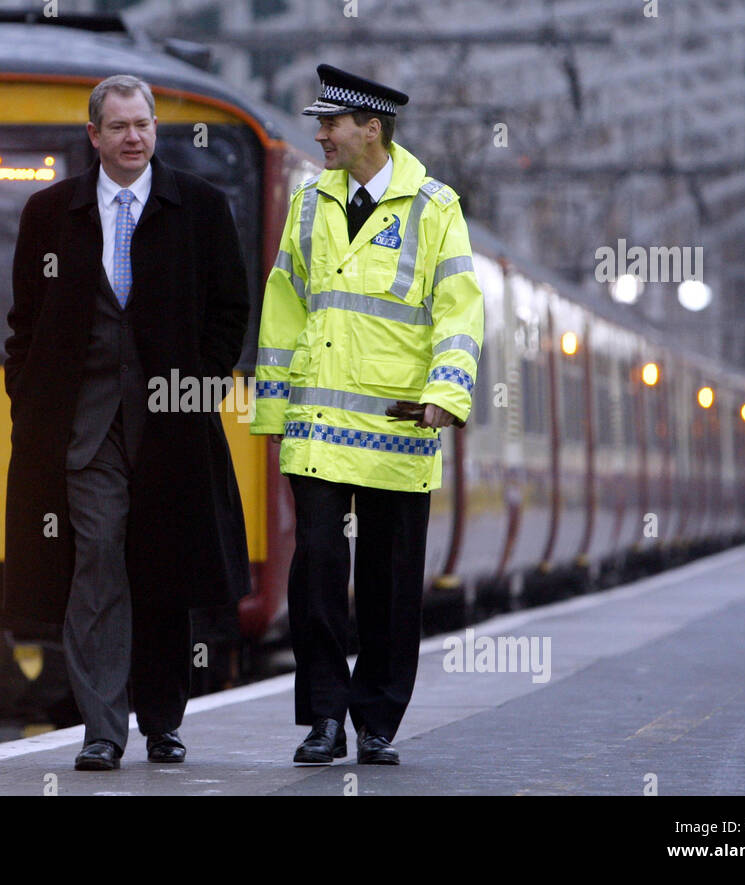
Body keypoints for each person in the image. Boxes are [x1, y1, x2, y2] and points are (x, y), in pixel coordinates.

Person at [3, 75, 251, 771]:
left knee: (162, 566)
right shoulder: (50, 213)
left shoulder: (201, 207)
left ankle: (164, 721)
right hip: (84, 431)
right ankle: (102, 730)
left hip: (172, 426)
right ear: (94, 136)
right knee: (98, 562)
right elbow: (23, 321)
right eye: (119, 127)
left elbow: (231, 309)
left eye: (143, 124)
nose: (134, 137)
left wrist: (198, 384)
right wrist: (28, 398)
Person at [251, 65, 484, 765]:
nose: (319, 133)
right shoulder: (308, 202)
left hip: (399, 424)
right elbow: (285, 303)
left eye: (331, 123)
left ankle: (377, 718)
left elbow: (460, 309)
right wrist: (273, 409)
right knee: (318, 569)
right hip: (318, 425)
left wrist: (448, 392)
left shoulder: (434, 206)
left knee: (388, 579)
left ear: (371, 129)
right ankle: (323, 717)